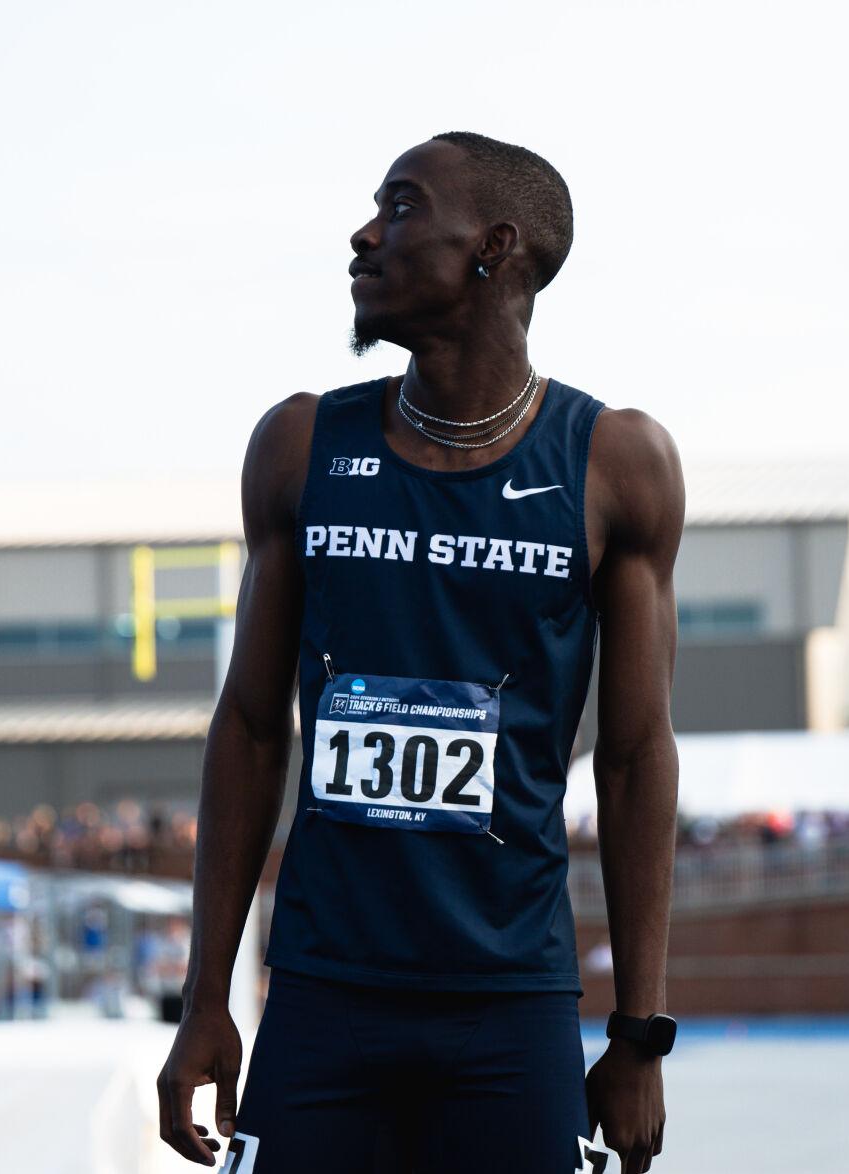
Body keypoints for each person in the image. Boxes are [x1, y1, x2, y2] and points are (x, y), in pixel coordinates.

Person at [156, 131, 683, 1174]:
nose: (364, 235)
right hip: (322, 999)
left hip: (510, 1010)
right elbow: (254, 728)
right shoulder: (303, 445)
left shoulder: (614, 464)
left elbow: (632, 759)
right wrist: (206, 996)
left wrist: (639, 1033)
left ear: (494, 249)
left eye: (399, 208)